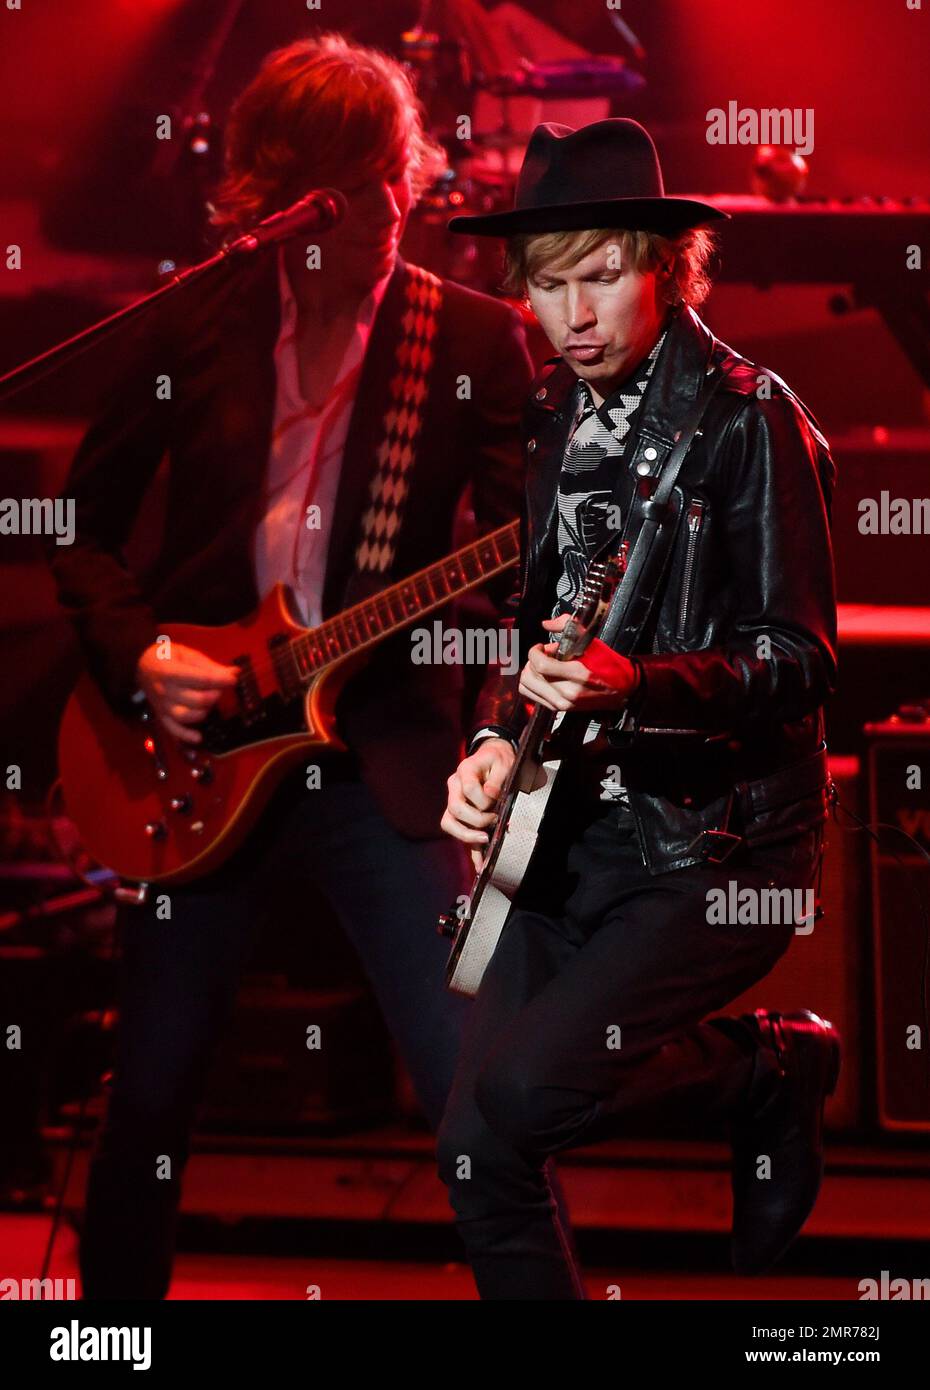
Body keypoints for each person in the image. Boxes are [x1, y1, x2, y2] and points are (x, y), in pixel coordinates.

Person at [47, 33, 533, 1299]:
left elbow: (544, 565)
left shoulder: (471, 342)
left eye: (387, 180)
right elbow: (81, 527)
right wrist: (142, 653)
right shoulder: (198, 320)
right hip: (190, 758)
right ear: (273, 200)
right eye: (338, 191)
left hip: (383, 759)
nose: (377, 213)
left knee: (473, 1096)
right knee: (147, 1097)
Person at [437, 117, 841, 1299]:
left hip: (711, 846)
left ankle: (765, 1075)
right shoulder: (551, 416)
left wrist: (637, 685)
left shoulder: (748, 418)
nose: (573, 316)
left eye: (601, 277)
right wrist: (489, 745)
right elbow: (539, 626)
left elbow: (802, 659)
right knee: (475, 1148)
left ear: (667, 268)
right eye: (548, 288)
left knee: (522, 1093)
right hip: (563, 833)